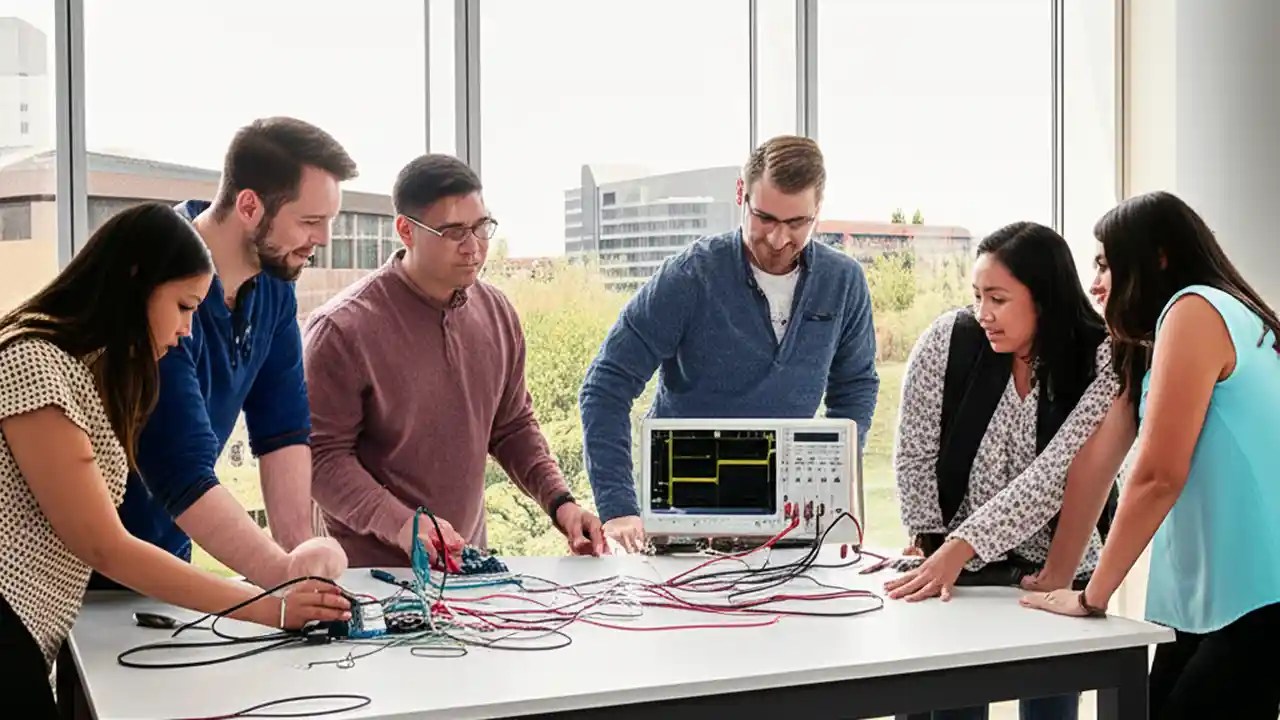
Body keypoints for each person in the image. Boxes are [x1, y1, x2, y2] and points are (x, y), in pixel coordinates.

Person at [0, 203, 351, 716]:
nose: (188, 330)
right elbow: (106, 547)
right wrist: (271, 608)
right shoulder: (33, 361)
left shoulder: (87, 373)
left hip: (30, 637)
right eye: (184, 307)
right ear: (135, 283)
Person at [1021, 191, 1280, 719]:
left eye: (1105, 264)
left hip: (1257, 592)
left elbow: (1158, 475)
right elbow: (1095, 463)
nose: (1095, 283)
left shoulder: (1194, 310)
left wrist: (1092, 596)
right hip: (1212, 597)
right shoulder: (1168, 334)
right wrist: (1057, 577)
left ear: (1158, 257)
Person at [91, 117, 356, 592]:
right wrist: (281, 575)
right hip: (82, 575)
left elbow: (283, 431)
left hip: (166, 564)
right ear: (249, 206)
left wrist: (301, 562)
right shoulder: (156, 274)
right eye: (310, 221)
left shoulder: (274, 286)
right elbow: (179, 467)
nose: (324, 239)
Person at [579, 135, 880, 551]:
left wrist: (834, 489)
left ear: (818, 210)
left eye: (797, 223)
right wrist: (618, 509)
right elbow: (605, 386)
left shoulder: (844, 282)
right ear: (742, 194)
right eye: (765, 218)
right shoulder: (689, 276)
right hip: (681, 519)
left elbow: (856, 387)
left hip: (787, 523)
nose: (778, 239)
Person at [304, 153, 605, 568]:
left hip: (466, 570)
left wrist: (561, 503)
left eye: (482, 227)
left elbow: (513, 426)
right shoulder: (341, 330)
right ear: (406, 231)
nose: (474, 247)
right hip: (366, 576)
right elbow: (320, 460)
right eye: (454, 232)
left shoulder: (497, 312)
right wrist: (404, 525)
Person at [886, 222, 1127, 720]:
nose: (983, 314)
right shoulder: (948, 340)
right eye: (978, 296)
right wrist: (931, 541)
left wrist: (960, 546)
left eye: (998, 299)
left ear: (1044, 298)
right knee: (950, 707)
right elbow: (914, 453)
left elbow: (1056, 475)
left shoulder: (1104, 359)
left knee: (1051, 708)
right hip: (959, 576)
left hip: (1058, 570)